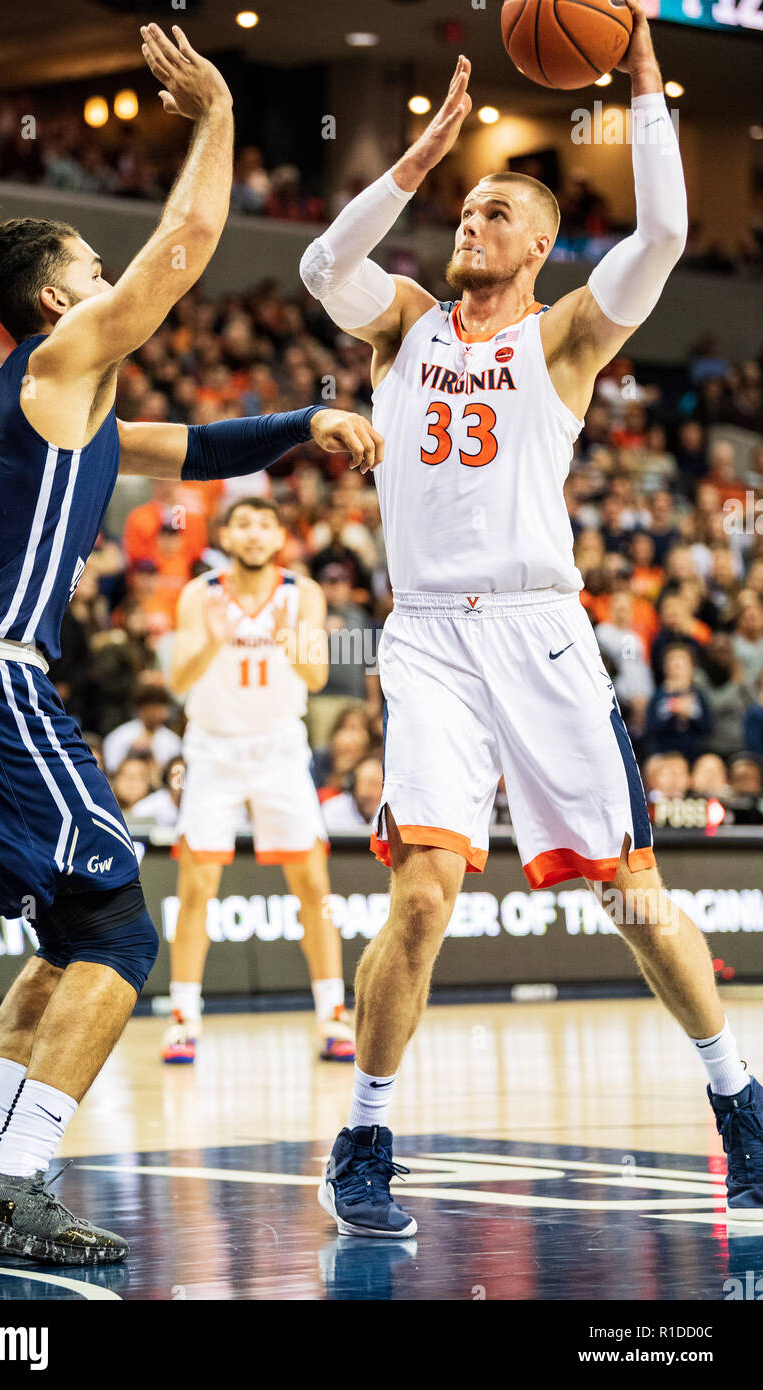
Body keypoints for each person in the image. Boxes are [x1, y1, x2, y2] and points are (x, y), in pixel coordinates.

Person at [0, 24, 380, 1266]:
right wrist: (217, 114)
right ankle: (9, 1176)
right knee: (121, 934)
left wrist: (307, 418)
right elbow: (186, 248)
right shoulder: (58, 358)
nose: (117, 278)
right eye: (93, 265)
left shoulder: (77, 409)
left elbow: (192, 446)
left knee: (71, 938)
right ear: (62, 301)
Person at [300, 0, 762, 1237]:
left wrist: (647, 79)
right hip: (427, 636)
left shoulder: (563, 340)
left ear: (544, 242)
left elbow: (664, 228)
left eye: (493, 211)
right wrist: (410, 162)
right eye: (461, 211)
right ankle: (366, 1131)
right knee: (421, 892)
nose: (468, 222)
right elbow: (318, 271)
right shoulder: (403, 320)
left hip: (540, 632)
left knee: (629, 892)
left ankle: (736, 1096)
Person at [163, 496, 355, 1065]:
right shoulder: (201, 594)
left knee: (313, 887)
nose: (253, 534)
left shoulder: (304, 594)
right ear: (227, 534)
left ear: (279, 537)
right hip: (213, 750)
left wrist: (288, 635)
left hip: (278, 749)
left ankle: (332, 1015)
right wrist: (214, 638)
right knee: (196, 887)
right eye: (242, 524)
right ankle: (183, 1019)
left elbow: (317, 675)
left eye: (264, 525)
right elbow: (177, 677)